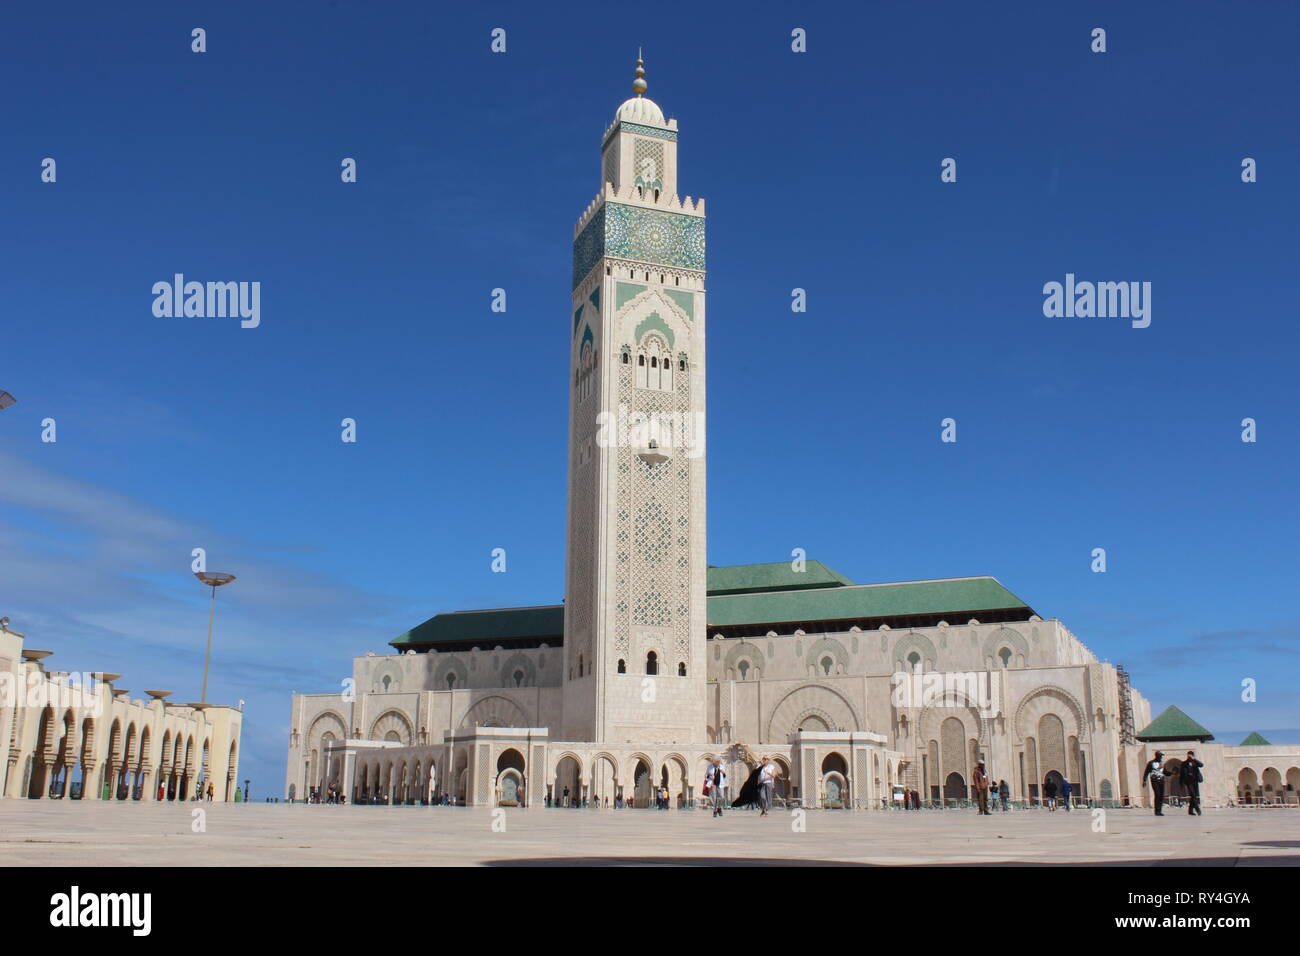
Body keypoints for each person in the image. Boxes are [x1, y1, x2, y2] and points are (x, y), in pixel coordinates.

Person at [1141, 751, 1166, 816]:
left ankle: (1160, 811)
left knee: (1161, 795)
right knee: (1157, 794)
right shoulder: (1151, 763)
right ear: (1157, 756)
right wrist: (1144, 780)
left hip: (1161, 781)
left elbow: (1165, 772)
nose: (1161, 757)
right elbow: (1146, 772)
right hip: (1155, 781)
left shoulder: (1162, 763)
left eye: (1161, 756)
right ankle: (1157, 811)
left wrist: (1171, 773)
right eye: (1160, 756)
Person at [1180, 751, 1204, 816]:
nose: (1189, 757)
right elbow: (1181, 774)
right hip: (1188, 782)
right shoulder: (1184, 763)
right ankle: (1197, 809)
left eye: (1191, 755)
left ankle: (1190, 811)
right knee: (1193, 795)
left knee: (1194, 796)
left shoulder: (1195, 762)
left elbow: (1201, 765)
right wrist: (1181, 783)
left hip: (1195, 781)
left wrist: (1194, 759)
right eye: (1188, 755)